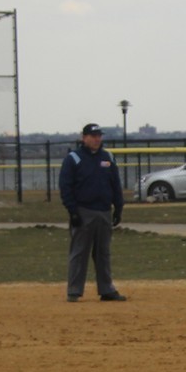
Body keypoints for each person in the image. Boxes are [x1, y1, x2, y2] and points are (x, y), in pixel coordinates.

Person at [58, 122, 127, 303]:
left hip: (104, 211)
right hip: (83, 211)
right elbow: (65, 187)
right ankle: (74, 290)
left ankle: (106, 289)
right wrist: (73, 211)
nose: (97, 139)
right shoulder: (74, 158)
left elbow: (115, 184)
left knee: (103, 253)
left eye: (99, 136)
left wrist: (118, 207)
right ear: (84, 138)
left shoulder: (107, 157)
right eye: (93, 136)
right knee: (79, 252)